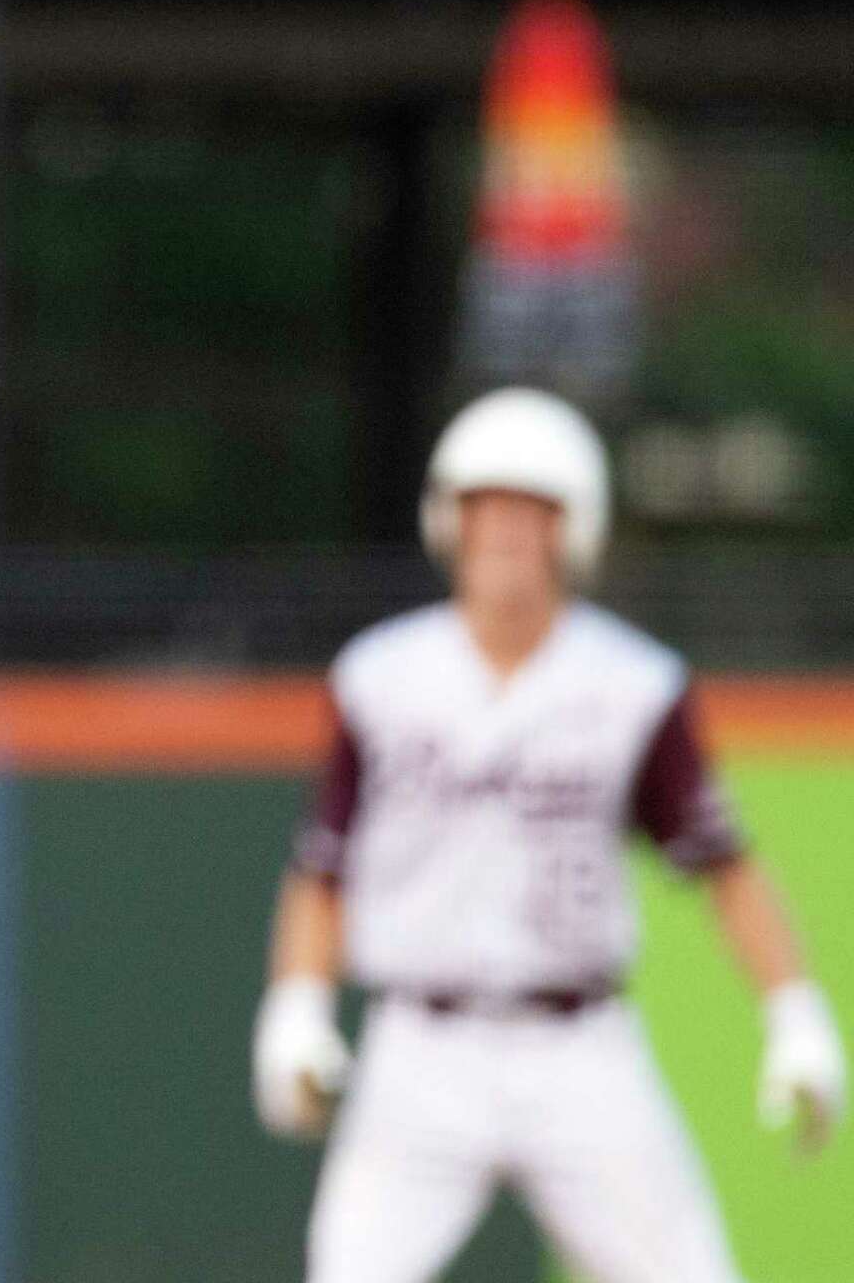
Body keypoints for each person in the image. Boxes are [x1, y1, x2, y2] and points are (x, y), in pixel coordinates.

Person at [251, 387, 845, 1283]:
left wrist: (794, 1013)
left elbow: (724, 865)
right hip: (420, 1045)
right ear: (448, 519)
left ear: (577, 530)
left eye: (533, 513)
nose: (506, 534)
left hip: (577, 1044)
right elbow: (319, 867)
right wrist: (295, 1006)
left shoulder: (631, 684)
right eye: (486, 509)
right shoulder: (381, 676)